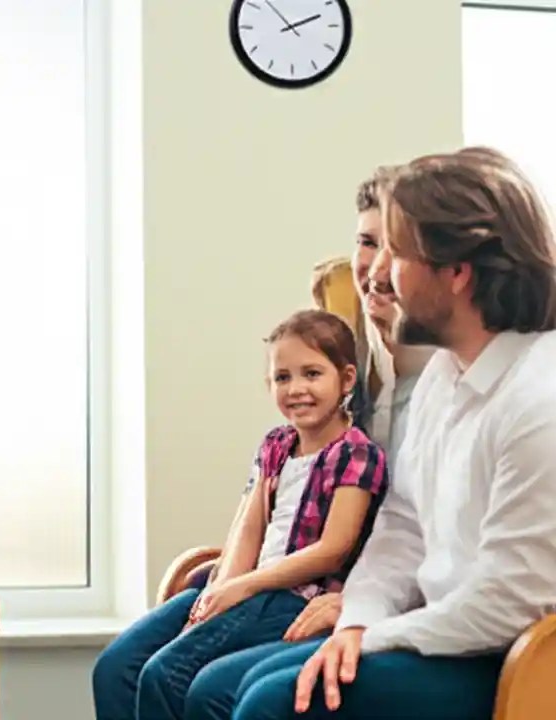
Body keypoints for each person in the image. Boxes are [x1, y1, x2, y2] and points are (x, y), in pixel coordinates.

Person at [231, 146, 556, 719]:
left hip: (509, 663)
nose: (377, 275)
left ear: (457, 273)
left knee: (270, 703)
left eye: (397, 253)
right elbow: (401, 528)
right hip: (441, 634)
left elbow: (510, 601)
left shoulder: (538, 398)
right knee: (236, 686)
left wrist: (373, 638)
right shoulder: (442, 376)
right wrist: (358, 620)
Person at [180, 170, 436, 720]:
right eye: (367, 243)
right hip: (335, 585)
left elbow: (410, 537)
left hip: (355, 595)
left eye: (397, 248)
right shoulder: (366, 376)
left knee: (220, 690)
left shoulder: (445, 392)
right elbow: (260, 504)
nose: (376, 267)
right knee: (130, 663)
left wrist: (361, 605)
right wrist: (224, 584)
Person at [91, 309, 390, 720]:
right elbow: (248, 529)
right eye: (283, 377)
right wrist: (221, 592)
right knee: (116, 667)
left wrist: (244, 588)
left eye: (312, 374)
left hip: (290, 598)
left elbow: (333, 550)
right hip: (244, 588)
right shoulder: (276, 445)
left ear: (347, 380)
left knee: (165, 674)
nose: (296, 388)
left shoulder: (355, 453)